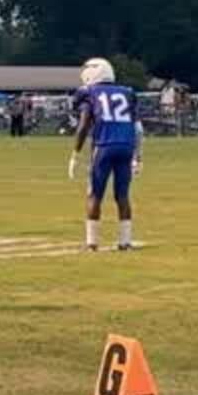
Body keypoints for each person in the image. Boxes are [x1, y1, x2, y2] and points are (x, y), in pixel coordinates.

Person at [69, 58, 142, 252]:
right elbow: (138, 128)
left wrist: (75, 153)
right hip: (126, 146)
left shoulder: (90, 93)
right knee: (122, 195)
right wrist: (138, 155)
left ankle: (92, 243)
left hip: (104, 145)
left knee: (94, 194)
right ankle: (125, 242)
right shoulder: (127, 93)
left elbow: (84, 125)